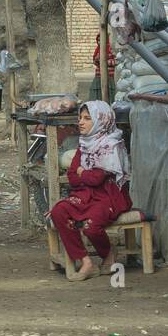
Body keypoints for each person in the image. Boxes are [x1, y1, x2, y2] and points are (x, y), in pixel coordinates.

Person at [49, 101, 132, 281]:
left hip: (108, 198)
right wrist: (84, 173)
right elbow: (72, 175)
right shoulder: (84, 144)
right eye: (80, 118)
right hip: (84, 195)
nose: (80, 122)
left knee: (90, 226)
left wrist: (82, 172)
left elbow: (96, 179)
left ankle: (108, 253)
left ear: (101, 120)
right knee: (58, 211)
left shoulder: (111, 145)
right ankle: (86, 261)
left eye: (87, 118)